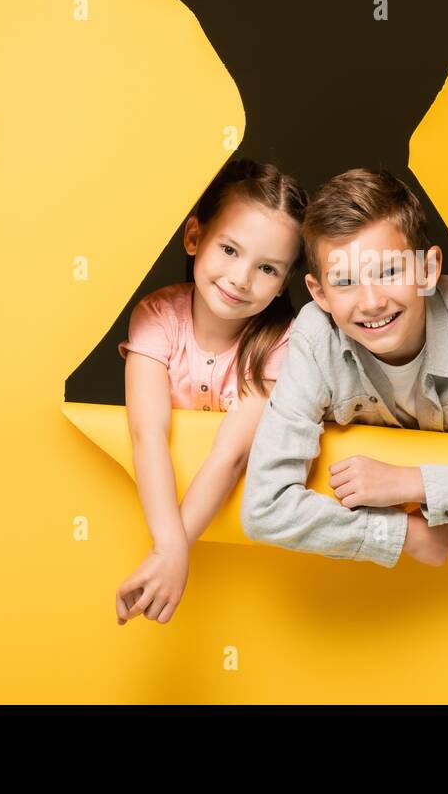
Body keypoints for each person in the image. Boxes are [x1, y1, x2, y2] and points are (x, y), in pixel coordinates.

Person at [241, 168, 448, 568]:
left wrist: (409, 482)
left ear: (428, 270)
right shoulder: (315, 336)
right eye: (344, 282)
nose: (372, 302)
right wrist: (403, 534)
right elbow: (264, 508)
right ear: (319, 293)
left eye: (390, 271)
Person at [115, 158, 306, 624]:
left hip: (250, 572)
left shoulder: (284, 342)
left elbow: (232, 454)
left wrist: (170, 554)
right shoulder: (157, 316)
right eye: (229, 249)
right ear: (194, 236)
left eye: (267, 268)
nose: (241, 278)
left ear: (284, 283)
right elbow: (147, 433)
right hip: (154, 528)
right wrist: (169, 550)